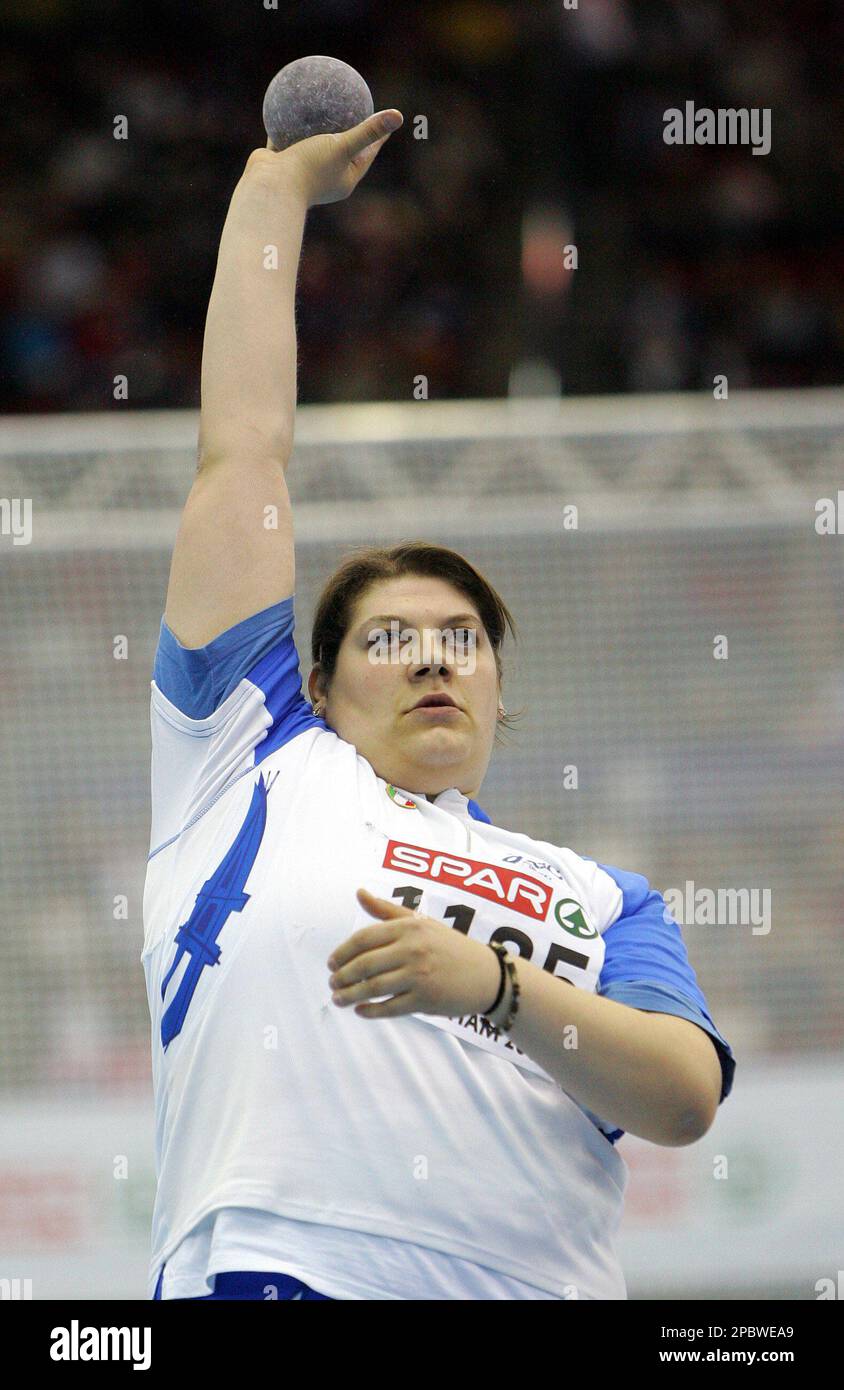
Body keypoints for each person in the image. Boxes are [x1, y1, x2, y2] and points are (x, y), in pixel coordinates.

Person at [142, 109, 735, 1301]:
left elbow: (682, 1099)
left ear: (496, 691)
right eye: (391, 639)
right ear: (312, 687)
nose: (433, 660)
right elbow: (243, 458)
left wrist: (496, 988)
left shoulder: (602, 895)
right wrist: (271, 196)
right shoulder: (252, 757)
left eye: (461, 640)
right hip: (288, 1272)